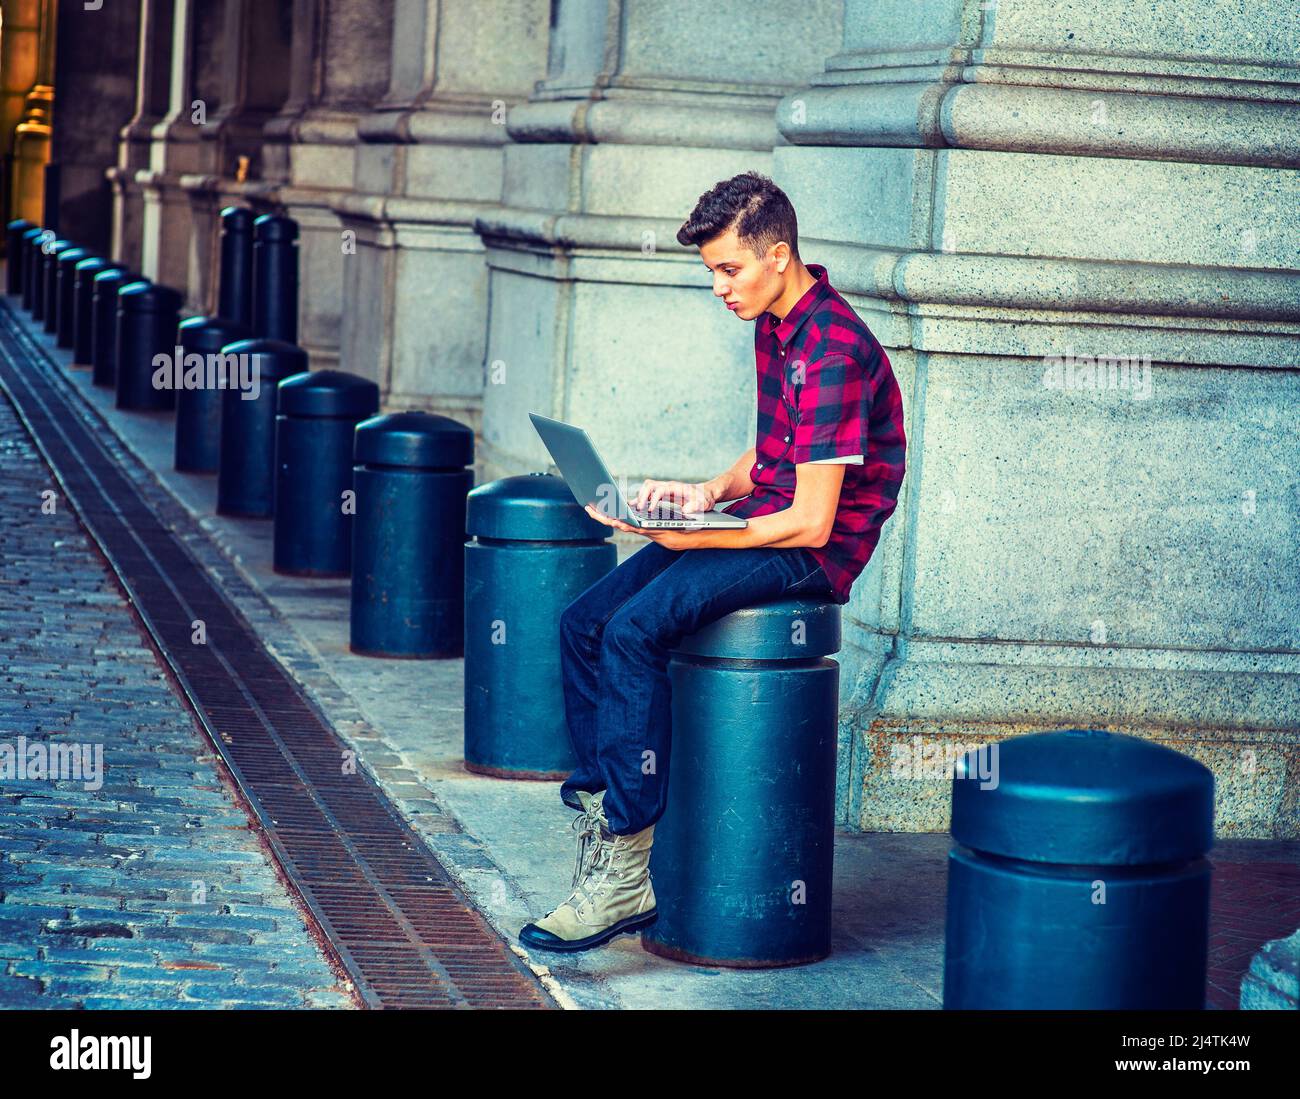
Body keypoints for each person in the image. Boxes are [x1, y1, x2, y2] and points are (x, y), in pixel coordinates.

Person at [518, 171, 908, 953]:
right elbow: (774, 454)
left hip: (812, 553)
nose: (721, 288)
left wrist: (700, 537)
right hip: (768, 519)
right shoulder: (776, 321)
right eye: (712, 273)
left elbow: (810, 518)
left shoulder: (832, 350)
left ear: (780, 255)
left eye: (729, 269)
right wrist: (701, 494)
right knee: (585, 621)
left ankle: (626, 870)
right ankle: (608, 814)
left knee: (633, 632)